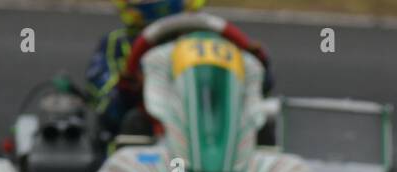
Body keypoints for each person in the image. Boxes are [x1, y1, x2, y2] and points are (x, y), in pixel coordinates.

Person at [84, 0, 273, 137]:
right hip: (155, 149)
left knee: (262, 122)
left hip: (212, 133)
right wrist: (128, 89)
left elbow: (258, 91)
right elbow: (108, 112)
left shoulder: (215, 41)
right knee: (135, 123)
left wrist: (256, 64)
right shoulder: (118, 45)